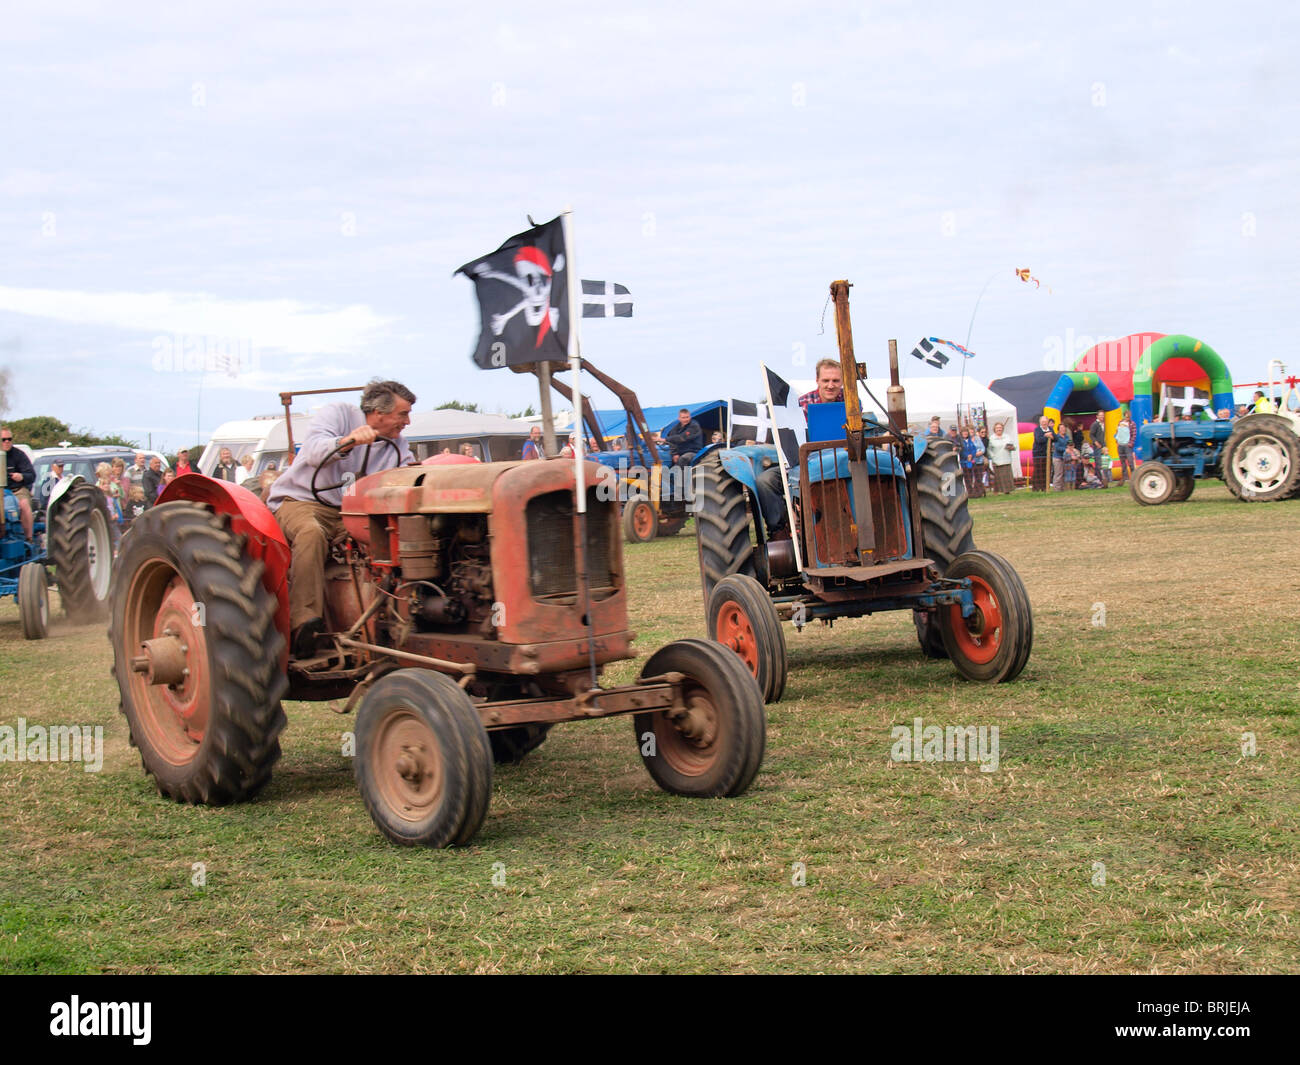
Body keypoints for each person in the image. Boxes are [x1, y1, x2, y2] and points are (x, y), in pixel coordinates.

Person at [266, 379, 416, 657]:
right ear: (379, 413)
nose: (407, 421)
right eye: (403, 414)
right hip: (302, 502)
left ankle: (393, 619)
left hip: (350, 511)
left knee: (397, 539)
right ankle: (303, 625)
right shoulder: (338, 414)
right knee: (311, 533)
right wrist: (347, 442)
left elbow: (405, 469)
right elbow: (312, 451)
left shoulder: (397, 443)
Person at [755, 359, 845, 536]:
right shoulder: (800, 404)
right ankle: (779, 531)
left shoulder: (851, 402)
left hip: (843, 463)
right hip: (804, 464)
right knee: (765, 481)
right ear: (817, 380)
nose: (830, 385)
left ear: (842, 382)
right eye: (826, 380)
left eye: (835, 381)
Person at [0, 428, 36, 540]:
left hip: (17, 491)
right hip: (1, 493)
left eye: (9, 439)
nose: (7, 442)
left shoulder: (19, 455)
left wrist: (22, 476)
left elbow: (31, 475)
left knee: (24, 505)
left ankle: (29, 538)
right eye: (3, 439)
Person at [987, 422, 1016, 494]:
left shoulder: (1007, 437)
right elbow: (989, 449)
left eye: (1000, 428)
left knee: (1007, 476)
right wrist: (992, 456)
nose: (999, 429)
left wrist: (1011, 447)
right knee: (998, 477)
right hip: (997, 460)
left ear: (1002, 428)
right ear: (994, 429)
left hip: (1006, 459)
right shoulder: (991, 438)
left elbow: (1014, 446)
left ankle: (1007, 490)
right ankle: (997, 490)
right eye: (997, 428)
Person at [959, 425, 985, 498]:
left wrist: (972, 455)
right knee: (967, 478)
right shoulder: (961, 441)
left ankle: (975, 492)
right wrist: (967, 456)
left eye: (966, 432)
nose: (965, 433)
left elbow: (973, 449)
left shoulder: (970, 441)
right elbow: (961, 451)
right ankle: (969, 492)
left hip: (972, 462)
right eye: (964, 432)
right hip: (964, 463)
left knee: (973, 477)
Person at [1031, 417, 1053, 492]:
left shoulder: (1050, 429)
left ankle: (1045, 487)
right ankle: (1036, 488)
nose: (1044, 423)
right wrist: (1046, 436)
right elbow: (1039, 440)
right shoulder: (1037, 430)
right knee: (1038, 471)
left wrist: (1051, 436)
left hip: (1048, 454)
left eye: (1045, 421)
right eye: (1042, 421)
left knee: (1046, 471)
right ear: (1040, 422)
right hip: (1038, 454)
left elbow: (1055, 438)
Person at [1114, 414, 1134, 485]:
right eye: (1126, 416)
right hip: (1120, 445)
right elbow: (1117, 432)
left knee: (1130, 461)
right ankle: (1125, 478)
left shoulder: (1132, 424)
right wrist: (1117, 440)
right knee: (1123, 463)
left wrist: (1130, 444)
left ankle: (1134, 477)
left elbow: (1133, 434)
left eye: (1128, 417)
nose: (1127, 418)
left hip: (1127, 445)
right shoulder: (1120, 422)